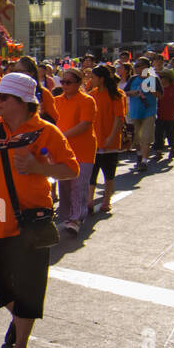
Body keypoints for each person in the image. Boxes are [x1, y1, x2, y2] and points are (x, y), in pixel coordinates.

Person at [0, 73, 79, 348]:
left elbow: (71, 169)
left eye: (4, 97)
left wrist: (39, 166)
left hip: (31, 220)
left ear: (24, 102)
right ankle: (18, 319)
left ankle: (20, 346)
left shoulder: (45, 132)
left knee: (30, 286)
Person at [51, 67, 97, 235]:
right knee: (64, 185)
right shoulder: (57, 101)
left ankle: (76, 218)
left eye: (68, 82)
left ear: (78, 83)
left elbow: (85, 124)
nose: (64, 85)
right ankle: (67, 216)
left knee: (78, 185)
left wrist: (61, 135)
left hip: (83, 150)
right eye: (62, 82)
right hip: (63, 150)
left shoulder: (87, 100)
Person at [88, 65, 126, 215]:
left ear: (101, 79)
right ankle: (89, 201)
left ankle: (106, 201)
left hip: (111, 141)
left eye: (93, 77)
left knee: (109, 172)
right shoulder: (91, 94)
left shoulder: (117, 95)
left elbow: (119, 118)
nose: (91, 80)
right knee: (92, 172)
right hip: (94, 141)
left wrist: (111, 136)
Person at [124, 57, 157, 173]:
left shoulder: (153, 79)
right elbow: (124, 92)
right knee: (137, 138)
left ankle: (144, 161)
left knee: (145, 138)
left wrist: (150, 87)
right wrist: (131, 93)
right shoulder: (133, 79)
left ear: (146, 67)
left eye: (139, 66)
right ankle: (139, 155)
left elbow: (159, 95)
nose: (136, 68)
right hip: (135, 112)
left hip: (149, 112)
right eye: (135, 66)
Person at [155, 71, 174, 161]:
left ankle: (172, 149)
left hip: (171, 116)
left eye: (162, 77)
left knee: (171, 134)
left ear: (167, 78)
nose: (160, 79)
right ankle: (158, 151)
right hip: (159, 115)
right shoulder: (157, 89)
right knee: (158, 134)